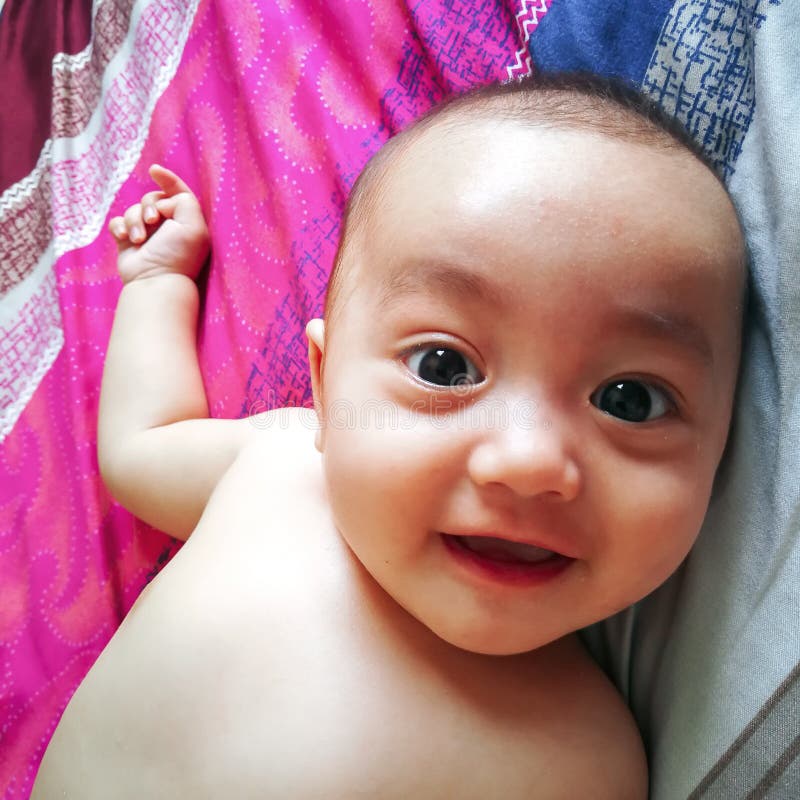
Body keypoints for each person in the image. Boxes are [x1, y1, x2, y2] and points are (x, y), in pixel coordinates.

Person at [31, 74, 745, 799]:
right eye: (445, 366)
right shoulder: (278, 465)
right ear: (324, 382)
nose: (528, 462)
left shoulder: (592, 763)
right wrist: (156, 285)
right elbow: (144, 445)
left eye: (629, 400)